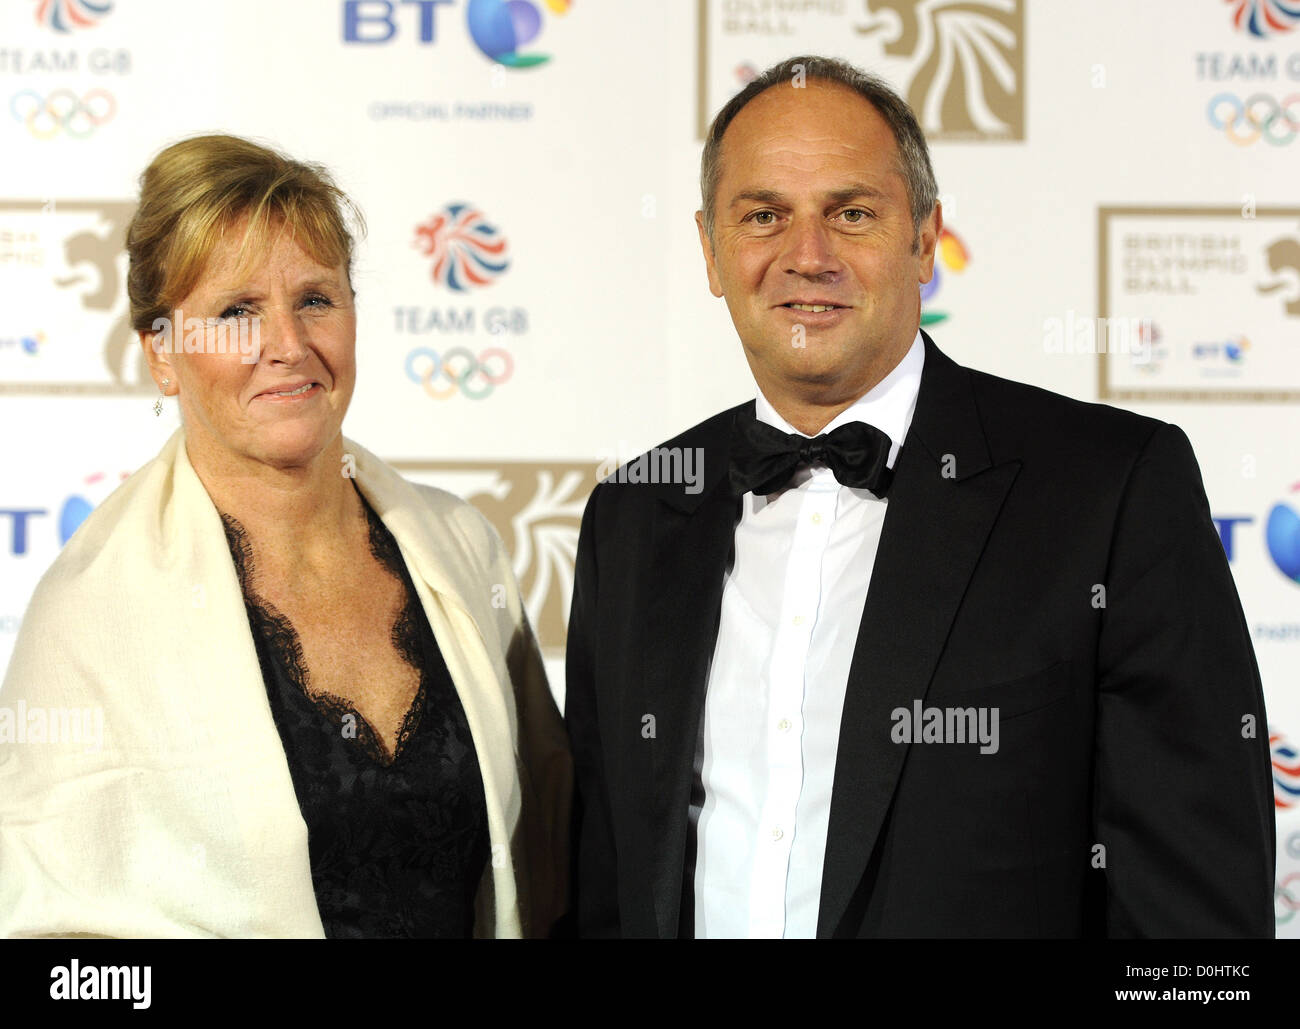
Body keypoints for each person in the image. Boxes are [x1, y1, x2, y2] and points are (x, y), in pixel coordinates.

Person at [564, 56, 1276, 938]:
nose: (808, 255)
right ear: (712, 251)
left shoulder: (1109, 489)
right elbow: (603, 888)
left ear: (925, 238)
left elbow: (1196, 922)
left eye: (852, 213)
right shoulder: (635, 513)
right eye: (764, 216)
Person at [0, 134, 570, 938]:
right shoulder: (91, 613)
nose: (287, 346)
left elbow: (549, 860)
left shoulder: (460, 547)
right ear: (162, 355)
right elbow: (56, 940)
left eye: (314, 299)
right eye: (236, 313)